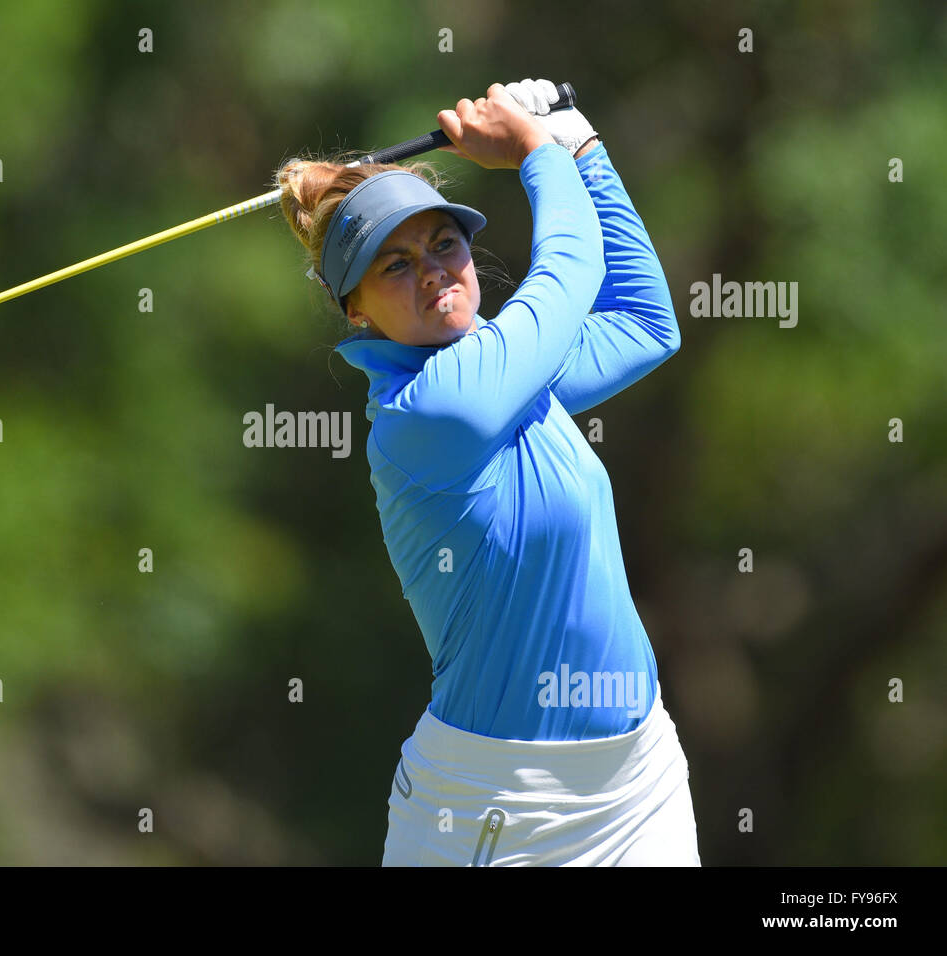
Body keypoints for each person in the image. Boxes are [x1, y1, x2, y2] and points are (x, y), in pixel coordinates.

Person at [274, 79, 699, 865]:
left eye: (444, 244)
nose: (434, 271)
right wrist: (540, 152)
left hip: (640, 784)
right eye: (394, 265)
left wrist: (584, 149)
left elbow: (645, 323)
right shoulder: (430, 413)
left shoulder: (506, 370)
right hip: (496, 814)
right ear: (356, 310)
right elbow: (567, 280)